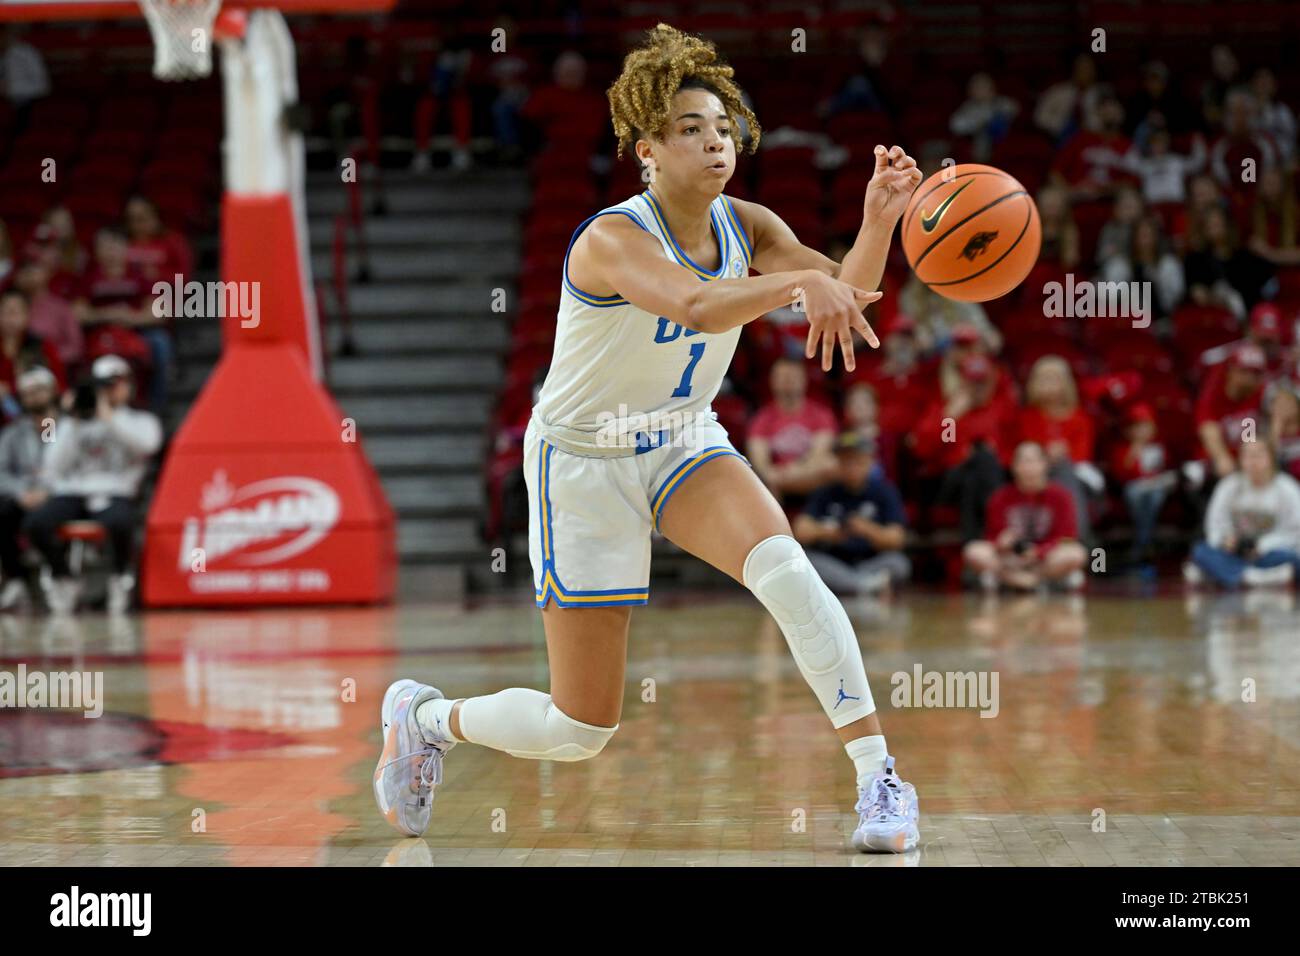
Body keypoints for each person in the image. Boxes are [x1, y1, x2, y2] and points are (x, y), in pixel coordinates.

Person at [374, 24, 924, 854]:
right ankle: (426, 720)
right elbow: (698, 304)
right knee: (579, 727)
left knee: (789, 574)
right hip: (581, 464)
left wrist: (876, 222)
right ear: (645, 151)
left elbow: (845, 293)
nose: (715, 141)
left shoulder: (751, 223)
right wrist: (800, 281)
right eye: (690, 129)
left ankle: (880, 780)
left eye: (723, 127)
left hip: (679, 440)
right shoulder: (611, 238)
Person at [25, 355, 161, 615]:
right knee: (36, 523)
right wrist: (73, 420)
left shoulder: (140, 420)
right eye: (102, 386)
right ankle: (64, 577)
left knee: (120, 523)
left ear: (128, 385)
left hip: (115, 491)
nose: (108, 391)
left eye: (114, 384)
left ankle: (120, 577)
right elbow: (52, 464)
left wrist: (108, 417)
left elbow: (147, 446)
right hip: (74, 492)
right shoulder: (70, 424)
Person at [794, 433, 910, 596]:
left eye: (858, 461)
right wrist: (827, 532)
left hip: (870, 561)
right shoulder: (824, 492)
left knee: (899, 563)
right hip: (833, 561)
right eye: (846, 462)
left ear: (870, 462)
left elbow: (897, 539)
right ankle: (864, 585)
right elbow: (800, 530)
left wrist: (867, 530)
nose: (852, 468)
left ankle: (853, 584)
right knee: (806, 562)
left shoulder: (885, 492)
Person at [963, 441, 1086, 592]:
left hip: (1045, 558)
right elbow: (992, 536)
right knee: (974, 551)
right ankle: (1037, 581)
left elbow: (1068, 537)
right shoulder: (999, 497)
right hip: (1011, 558)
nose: (1028, 468)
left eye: (1033, 461)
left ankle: (1014, 580)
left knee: (1076, 553)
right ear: (1014, 467)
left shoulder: (1062, 497)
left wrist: (1038, 552)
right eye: (1023, 461)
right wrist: (1001, 542)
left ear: (1045, 464)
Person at [1186, 438, 1300, 589]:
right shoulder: (1228, 486)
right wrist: (1225, 540)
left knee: (1292, 559)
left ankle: (1224, 573)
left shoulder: (1287, 488)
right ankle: (1253, 576)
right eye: (1247, 456)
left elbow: (1295, 531)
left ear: (1271, 458)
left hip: (1270, 551)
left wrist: (1262, 546)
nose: (1253, 461)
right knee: (1200, 551)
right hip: (1235, 551)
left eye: (1258, 455)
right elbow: (1214, 525)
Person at [0, 366, 59, 610]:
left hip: (59, 496)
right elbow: (1, 471)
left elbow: (62, 468)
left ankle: (60, 578)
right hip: (24, 496)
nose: (34, 397)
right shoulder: (14, 432)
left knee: (43, 519)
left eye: (39, 391)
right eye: (28, 393)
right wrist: (22, 492)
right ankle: (17, 579)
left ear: (52, 391)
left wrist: (46, 490)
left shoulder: (64, 426)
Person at [746, 357, 838, 510]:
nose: (787, 381)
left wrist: (789, 473)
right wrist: (773, 475)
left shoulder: (821, 414)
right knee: (758, 478)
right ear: (772, 381)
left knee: (831, 464)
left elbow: (819, 455)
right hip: (777, 481)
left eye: (792, 376)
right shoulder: (762, 419)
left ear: (804, 380)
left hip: (803, 476)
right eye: (782, 377)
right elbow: (760, 463)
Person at [1107, 402, 1175, 569]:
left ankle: (1142, 540)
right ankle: (1145, 540)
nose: (1141, 431)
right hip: (1135, 488)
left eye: (1145, 426)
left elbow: (1164, 470)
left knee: (1155, 495)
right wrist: (1134, 450)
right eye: (1136, 427)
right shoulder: (1122, 449)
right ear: (1128, 430)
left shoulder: (1159, 448)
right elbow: (1121, 475)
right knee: (1135, 493)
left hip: (1156, 487)